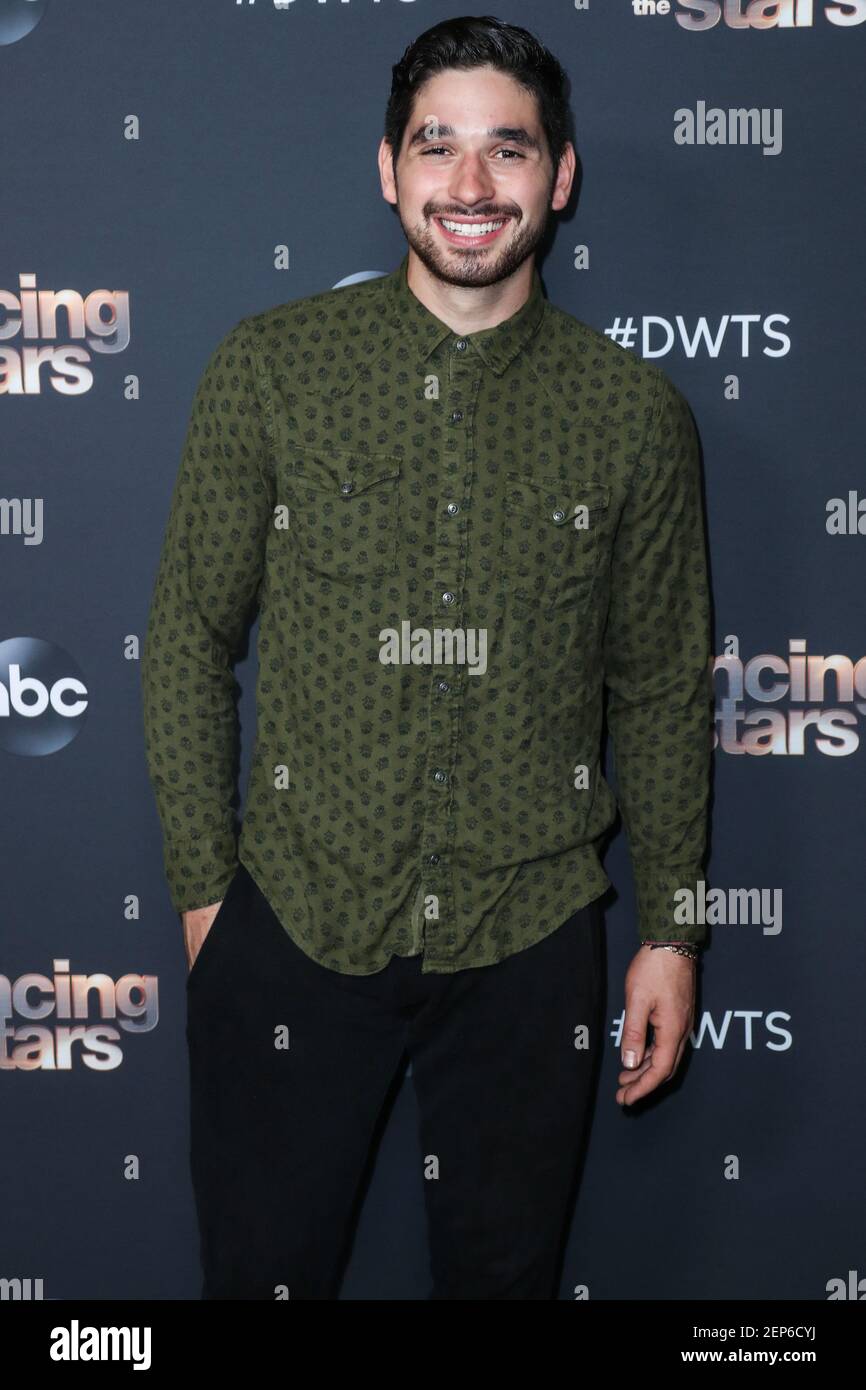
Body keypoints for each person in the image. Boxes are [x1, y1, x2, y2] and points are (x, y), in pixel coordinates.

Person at [141, 15, 713, 1301]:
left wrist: (672, 929)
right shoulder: (272, 369)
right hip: (292, 913)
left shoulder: (633, 417)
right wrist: (204, 899)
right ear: (386, 168)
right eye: (435, 147)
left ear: (557, 177)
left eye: (503, 151)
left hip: (529, 938)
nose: (468, 187)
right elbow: (186, 632)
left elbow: (666, 685)